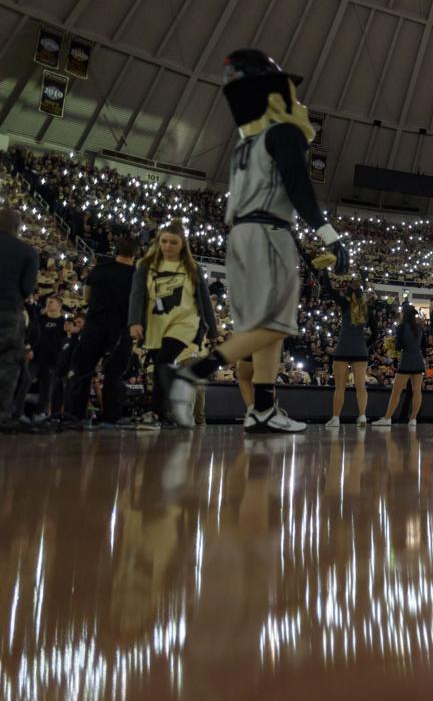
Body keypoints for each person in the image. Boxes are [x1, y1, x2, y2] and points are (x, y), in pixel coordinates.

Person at [166, 49, 351, 433]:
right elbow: (299, 188)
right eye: (291, 94)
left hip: (241, 236)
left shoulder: (244, 145)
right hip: (269, 233)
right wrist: (329, 236)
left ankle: (263, 408)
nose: (298, 101)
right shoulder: (285, 132)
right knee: (276, 325)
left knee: (259, 326)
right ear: (274, 96)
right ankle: (191, 375)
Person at [128, 221, 218, 428]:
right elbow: (137, 294)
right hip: (157, 323)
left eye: (173, 243)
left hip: (185, 322)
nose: (168, 246)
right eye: (164, 241)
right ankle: (169, 407)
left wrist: (212, 330)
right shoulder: (146, 265)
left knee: (162, 362)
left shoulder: (191, 267)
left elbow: (204, 299)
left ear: (182, 244)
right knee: (160, 366)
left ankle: (155, 413)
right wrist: (134, 321)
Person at [62, 236, 139, 429]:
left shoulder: (100, 269)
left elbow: (86, 295)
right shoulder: (137, 275)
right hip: (121, 329)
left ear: (116, 251)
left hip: (94, 324)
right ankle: (110, 418)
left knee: (83, 370)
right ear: (136, 253)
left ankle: (75, 415)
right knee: (114, 374)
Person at [0, 209, 40, 431]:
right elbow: (27, 288)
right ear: (18, 226)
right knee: (7, 365)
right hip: (9, 311)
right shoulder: (27, 251)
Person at [320, 272, 371, 428]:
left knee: (340, 387)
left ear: (348, 295)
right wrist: (365, 343)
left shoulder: (345, 304)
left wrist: (324, 271)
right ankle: (362, 416)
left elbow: (329, 289)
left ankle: (335, 418)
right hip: (360, 350)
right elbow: (375, 332)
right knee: (361, 386)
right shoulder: (365, 309)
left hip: (343, 348)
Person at [375, 305, 424, 427]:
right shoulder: (419, 328)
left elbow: (399, 345)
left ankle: (387, 418)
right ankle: (413, 419)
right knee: (417, 391)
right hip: (418, 359)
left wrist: (392, 344)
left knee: (396, 391)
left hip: (406, 360)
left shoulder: (401, 327)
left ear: (405, 314)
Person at [34, 295, 65, 417]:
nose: (48, 304)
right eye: (47, 302)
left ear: (59, 305)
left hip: (51, 361)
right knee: (25, 384)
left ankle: (41, 413)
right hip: (35, 358)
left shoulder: (63, 322)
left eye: (51, 302)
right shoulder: (40, 319)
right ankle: (18, 411)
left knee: (46, 390)